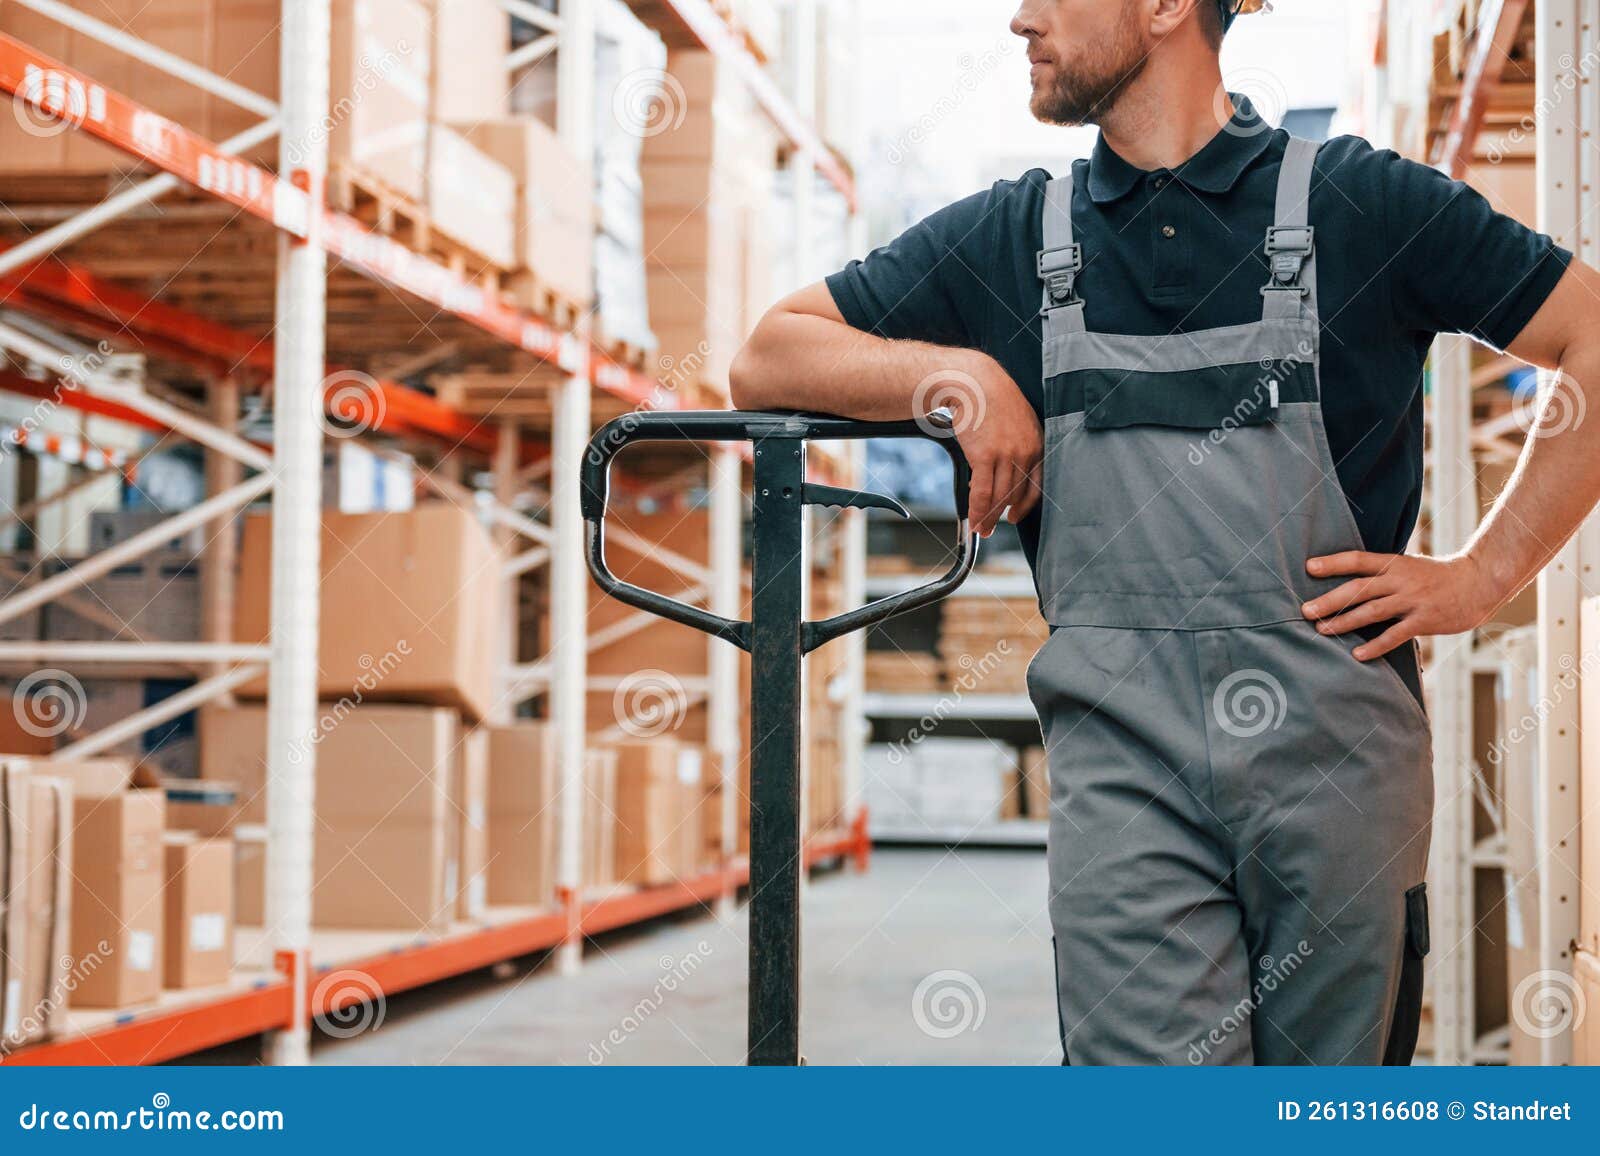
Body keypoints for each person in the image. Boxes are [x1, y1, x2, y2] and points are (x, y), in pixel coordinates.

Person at [730, 0, 1600, 1064]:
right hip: (1122, 780)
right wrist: (943, 371)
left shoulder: (1358, 205)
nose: (1018, 19)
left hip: (1338, 779)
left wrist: (1482, 575)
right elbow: (769, 354)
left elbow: (1591, 335)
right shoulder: (1016, 236)